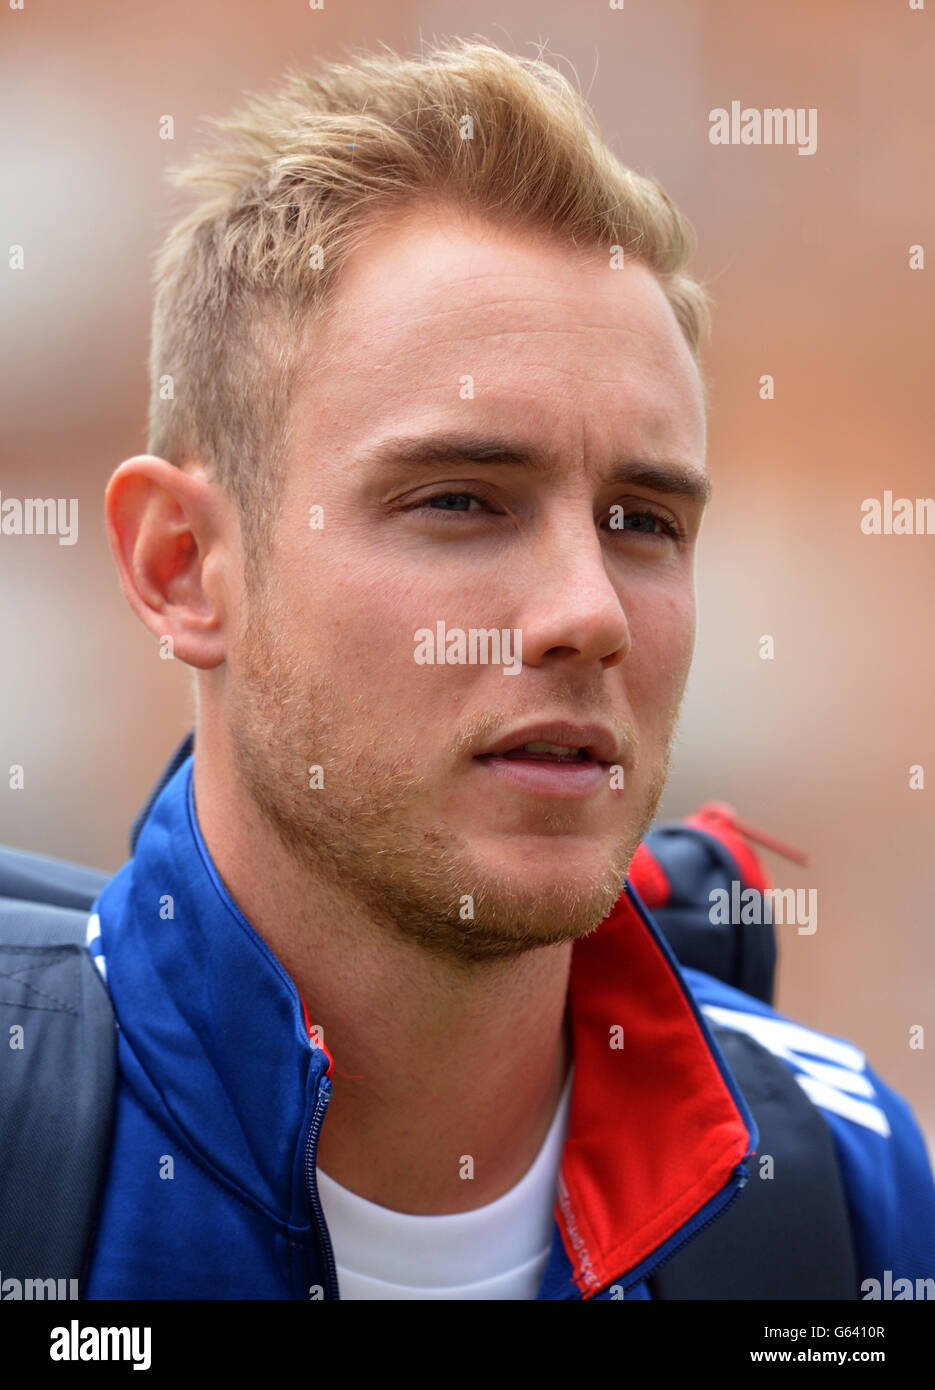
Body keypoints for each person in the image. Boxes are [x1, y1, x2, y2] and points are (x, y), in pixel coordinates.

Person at [78, 39, 933, 1299]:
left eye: (643, 521)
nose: (587, 612)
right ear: (185, 566)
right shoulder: (41, 1155)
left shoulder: (838, 1193)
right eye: (461, 500)